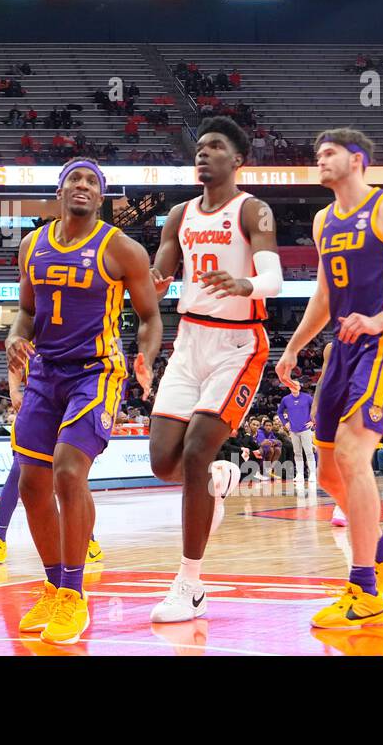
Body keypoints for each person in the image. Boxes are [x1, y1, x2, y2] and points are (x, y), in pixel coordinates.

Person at [275, 128, 383, 629]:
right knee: (329, 473)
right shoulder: (323, 219)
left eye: (328, 153)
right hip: (341, 351)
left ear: (358, 159)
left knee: (352, 454)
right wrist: (293, 346)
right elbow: (325, 296)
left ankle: (365, 588)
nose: (319, 160)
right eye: (317, 154)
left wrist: (378, 320)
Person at [6, 158, 161, 645]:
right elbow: (27, 312)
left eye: (91, 181)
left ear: (101, 197)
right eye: (74, 178)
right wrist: (14, 335)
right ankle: (53, 585)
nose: (82, 185)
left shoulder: (122, 249)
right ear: (59, 190)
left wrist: (146, 358)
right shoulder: (32, 245)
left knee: (69, 471)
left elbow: (150, 317)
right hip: (45, 372)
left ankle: (75, 594)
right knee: (32, 483)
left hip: (97, 372)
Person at [147, 117, 282, 623]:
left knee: (198, 448)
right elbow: (161, 272)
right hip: (188, 342)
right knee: (164, 462)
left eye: (216, 147)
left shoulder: (254, 209)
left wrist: (246, 284)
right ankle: (219, 477)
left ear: (238, 160)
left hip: (238, 344)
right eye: (200, 147)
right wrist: (151, 283)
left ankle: (190, 585)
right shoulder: (178, 215)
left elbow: (272, 275)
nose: (204, 153)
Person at [0, 360, 102, 566]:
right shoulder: (33, 335)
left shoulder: (77, 341)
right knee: (19, 473)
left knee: (72, 476)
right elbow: (15, 361)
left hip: (71, 408)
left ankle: (88, 539)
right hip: (37, 409)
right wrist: (14, 391)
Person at [278, 380, 316, 485]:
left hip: (305, 429)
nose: (294, 387)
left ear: (300, 386)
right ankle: (299, 474)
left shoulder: (307, 397)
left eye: (296, 385)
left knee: (309, 452)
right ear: (289, 387)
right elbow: (279, 412)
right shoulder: (286, 399)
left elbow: (316, 409)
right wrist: (285, 423)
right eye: (292, 385)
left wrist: (313, 421)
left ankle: (312, 473)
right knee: (297, 452)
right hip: (293, 430)